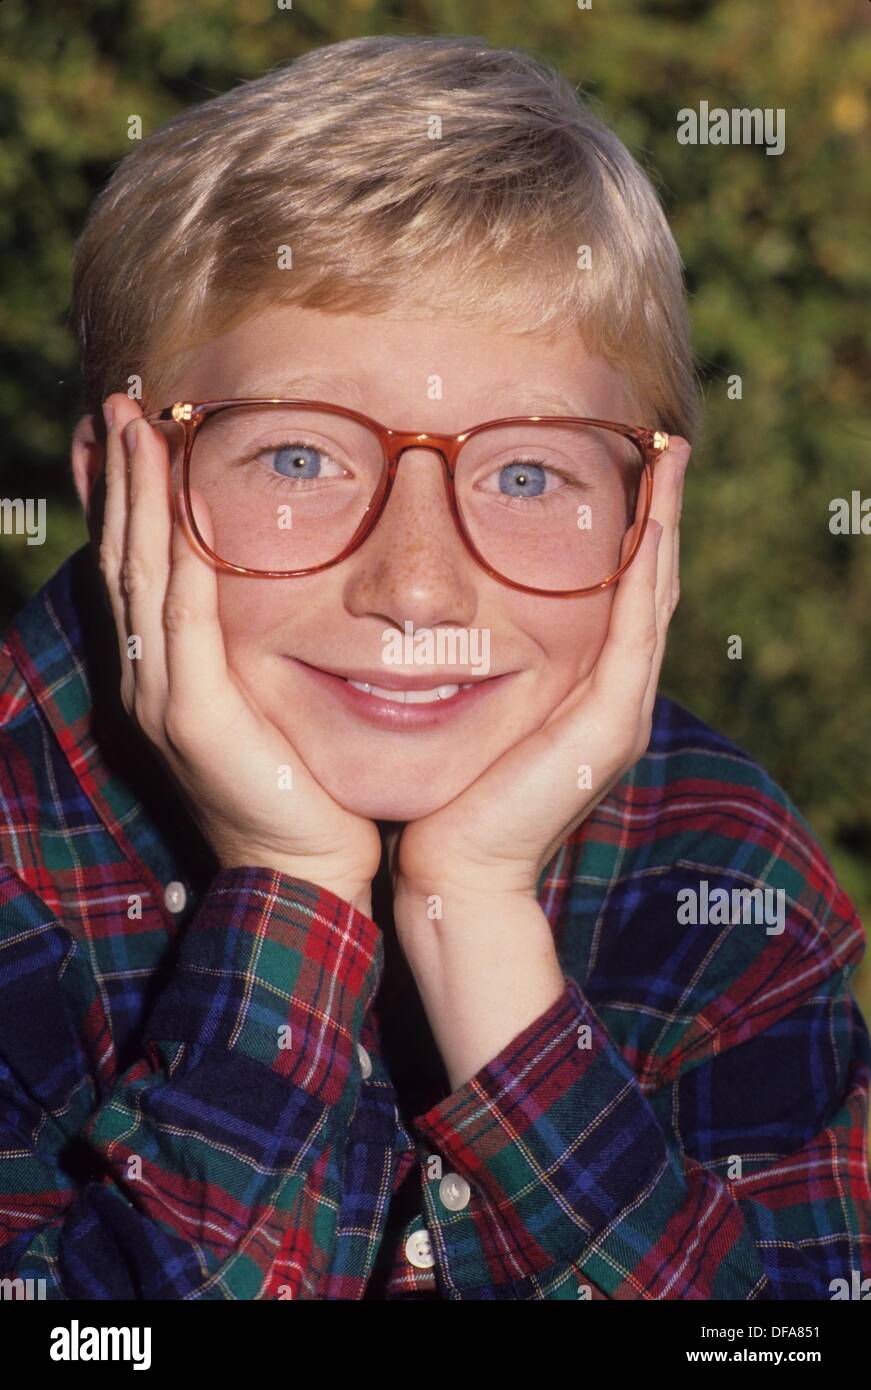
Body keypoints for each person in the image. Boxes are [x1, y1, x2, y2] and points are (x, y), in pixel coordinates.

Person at [0, 33, 868, 1302]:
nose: (416, 586)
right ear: (113, 491)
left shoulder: (719, 871)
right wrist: (291, 892)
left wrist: (486, 946)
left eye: (526, 474)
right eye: (298, 458)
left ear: (647, 524)